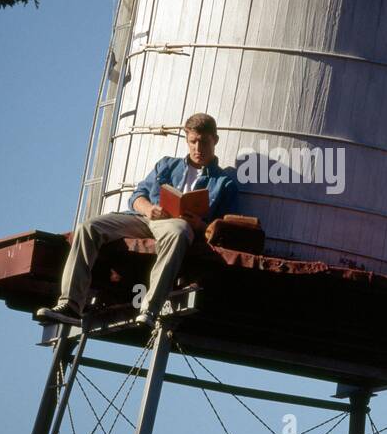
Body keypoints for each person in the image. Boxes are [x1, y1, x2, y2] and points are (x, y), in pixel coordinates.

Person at [41, 113, 239, 331]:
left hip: (178, 226)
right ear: (186, 139)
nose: (198, 148)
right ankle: (70, 305)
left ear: (215, 140)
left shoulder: (225, 181)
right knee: (88, 227)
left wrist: (199, 225)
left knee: (178, 229)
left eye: (204, 141)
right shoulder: (167, 165)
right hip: (145, 218)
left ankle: (150, 309)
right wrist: (148, 208)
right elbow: (137, 196)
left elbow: (226, 226)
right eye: (193, 141)